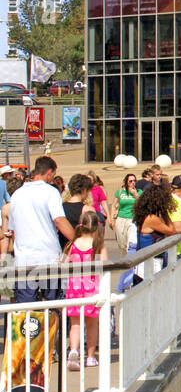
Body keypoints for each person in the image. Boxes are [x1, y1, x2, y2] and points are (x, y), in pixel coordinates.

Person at [8, 155, 76, 303]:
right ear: (50, 172)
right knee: (53, 305)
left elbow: (13, 231)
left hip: (24, 260)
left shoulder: (17, 195)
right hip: (48, 257)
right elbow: (59, 220)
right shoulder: (50, 192)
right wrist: (77, 239)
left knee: (26, 309)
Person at [63, 214, 108, 371]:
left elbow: (62, 263)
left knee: (75, 324)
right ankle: (90, 357)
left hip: (74, 288)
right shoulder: (97, 244)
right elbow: (104, 264)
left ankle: (74, 351)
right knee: (92, 324)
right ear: (97, 227)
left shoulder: (72, 244)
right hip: (92, 288)